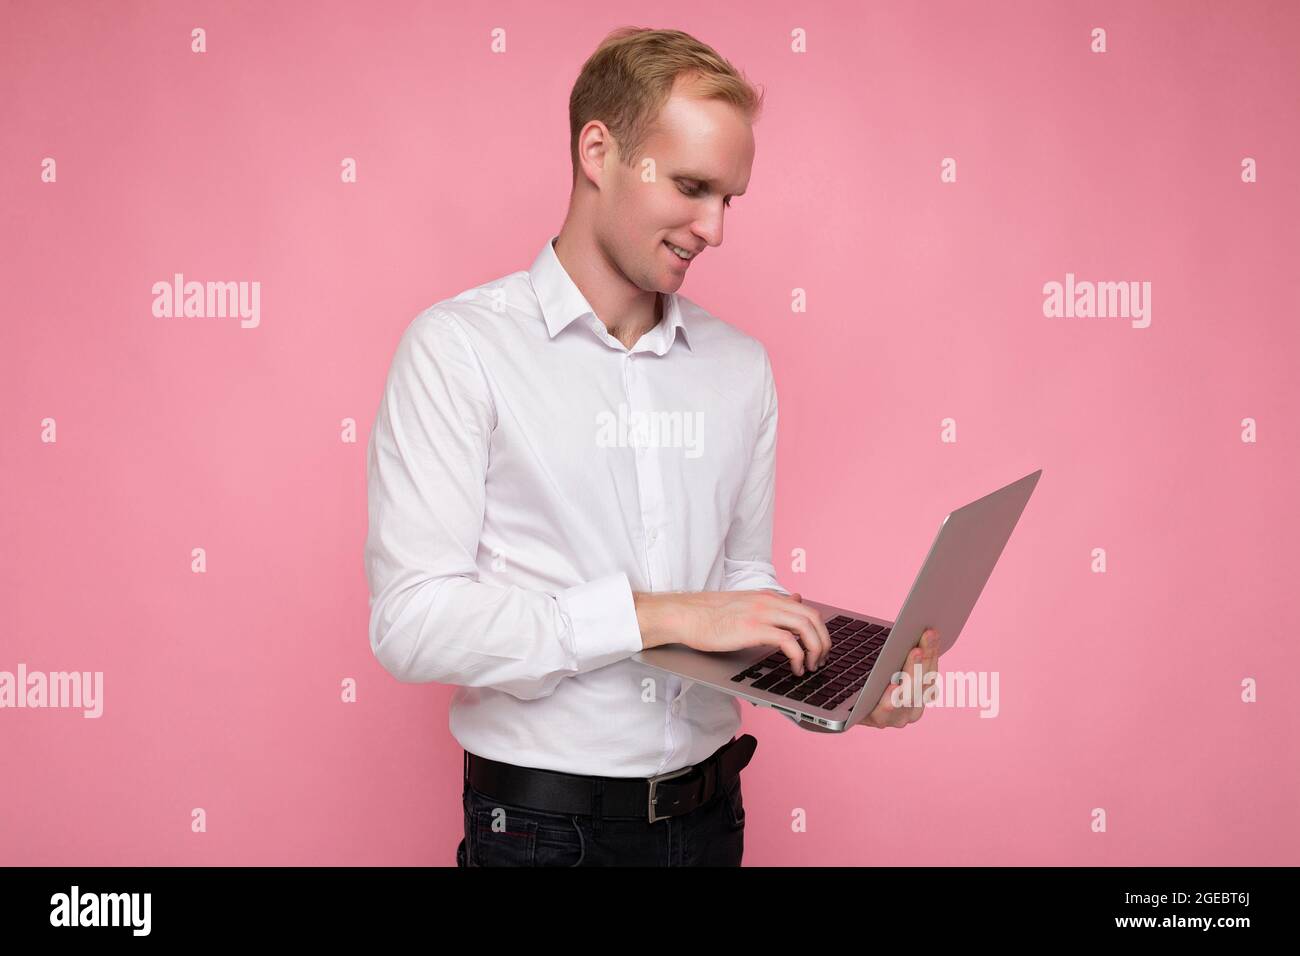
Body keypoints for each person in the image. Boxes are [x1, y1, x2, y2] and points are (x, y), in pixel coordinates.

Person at [363, 26, 941, 867]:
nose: (714, 228)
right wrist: (658, 615)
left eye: (730, 199)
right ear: (599, 151)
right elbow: (411, 622)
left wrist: (840, 689)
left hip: (711, 818)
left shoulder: (739, 367)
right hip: (540, 832)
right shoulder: (458, 351)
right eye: (692, 186)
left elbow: (739, 583)